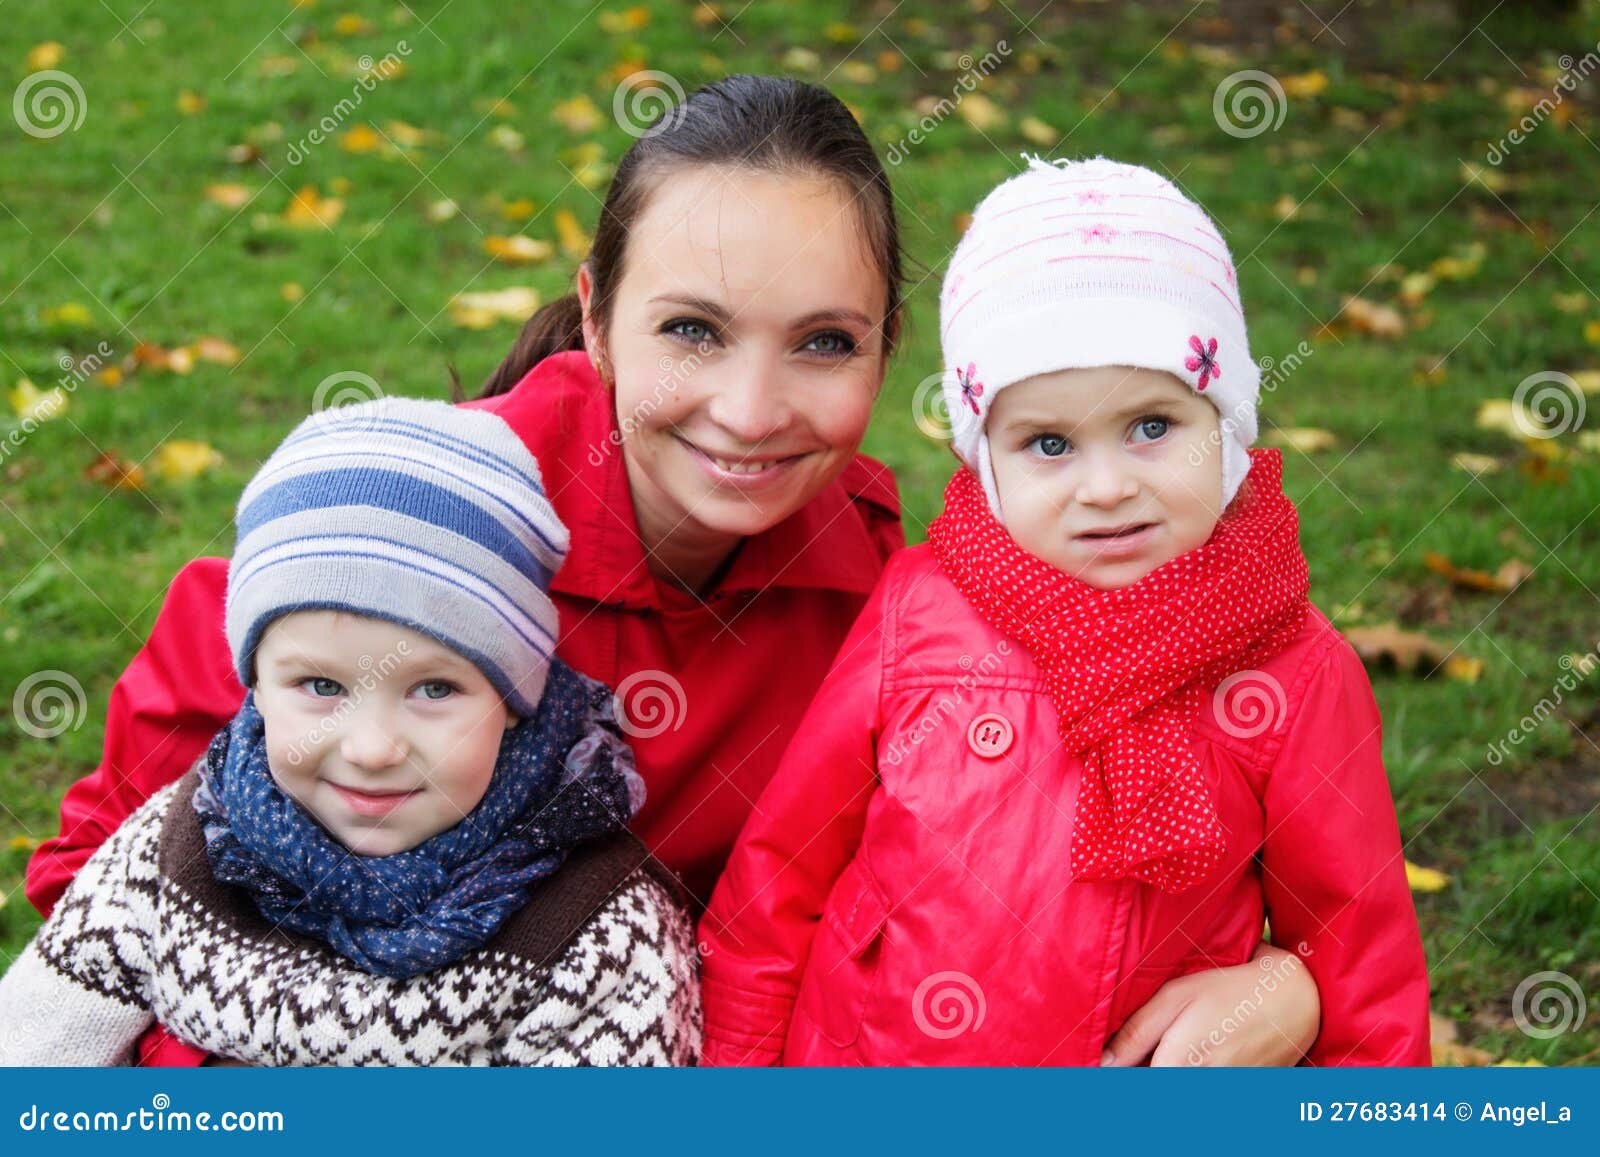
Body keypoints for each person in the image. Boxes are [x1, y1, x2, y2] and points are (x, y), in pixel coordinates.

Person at [26, 78, 1321, 1066]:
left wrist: (1292, 980)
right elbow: (99, 884)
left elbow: (1076, 849)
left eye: (824, 342)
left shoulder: (899, 610)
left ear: (893, 359)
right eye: (692, 331)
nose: (753, 411)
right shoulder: (386, 547)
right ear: (595, 314)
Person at [697, 157, 1431, 1066]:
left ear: (1226, 423)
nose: (1108, 486)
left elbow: (1359, 957)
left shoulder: (1290, 669)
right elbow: (778, 883)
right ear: (988, 461)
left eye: (1154, 426)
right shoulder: (920, 610)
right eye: (1049, 443)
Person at [0, 399, 699, 1066]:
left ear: (516, 699)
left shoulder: (595, 932)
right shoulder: (179, 843)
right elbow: (33, 1050)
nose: (370, 749)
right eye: (322, 687)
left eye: (434, 689)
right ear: (256, 690)